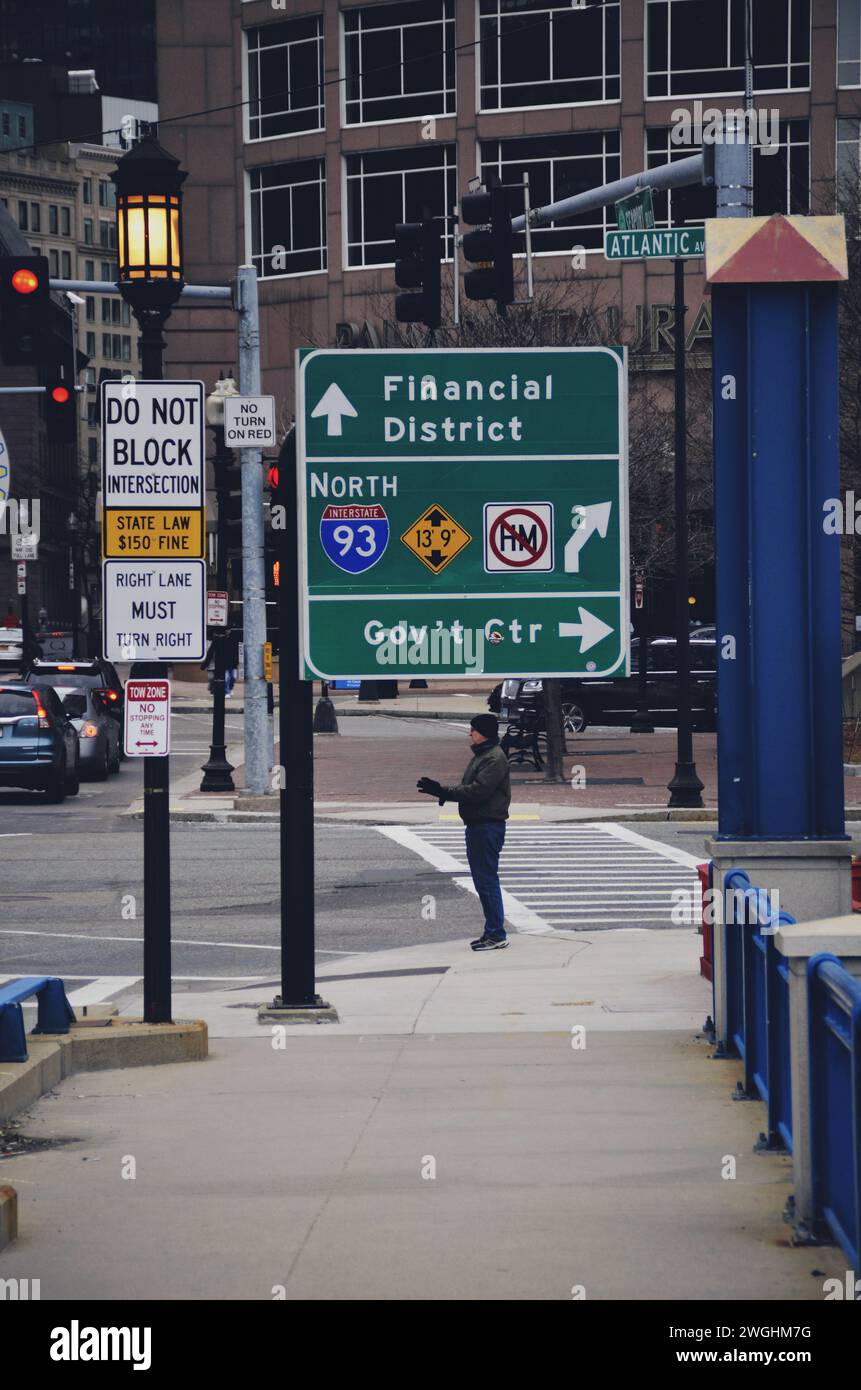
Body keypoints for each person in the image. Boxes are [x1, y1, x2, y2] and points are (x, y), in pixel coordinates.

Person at [417, 713, 511, 951]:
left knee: (487, 880)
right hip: (479, 826)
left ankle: (496, 934)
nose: (470, 733)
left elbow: (478, 792)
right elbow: (473, 789)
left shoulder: (494, 758)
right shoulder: (484, 755)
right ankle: (492, 931)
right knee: (483, 880)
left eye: (473, 730)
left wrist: (443, 792)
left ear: (483, 733)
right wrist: (442, 792)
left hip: (486, 826)